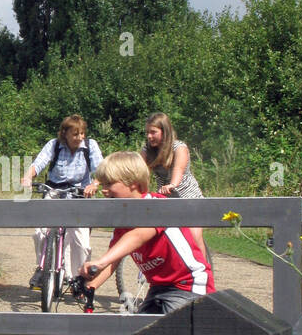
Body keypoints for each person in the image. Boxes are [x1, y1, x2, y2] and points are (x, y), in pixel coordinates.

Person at [78, 151, 214, 315]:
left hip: (188, 284)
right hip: (159, 287)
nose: (104, 190)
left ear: (133, 183)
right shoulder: (123, 223)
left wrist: (99, 262)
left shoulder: (155, 206)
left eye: (109, 184)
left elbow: (138, 235)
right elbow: (112, 262)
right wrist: (89, 285)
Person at [19, 114, 103, 287]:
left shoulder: (90, 146)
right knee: (40, 232)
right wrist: (27, 177)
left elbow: (101, 170)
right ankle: (42, 268)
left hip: (79, 194)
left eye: (82, 133)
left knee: (81, 242)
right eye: (75, 134)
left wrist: (94, 184)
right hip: (55, 191)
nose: (80, 138)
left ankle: (79, 279)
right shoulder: (54, 145)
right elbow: (39, 163)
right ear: (64, 134)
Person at [142, 111, 205, 255]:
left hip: (188, 198)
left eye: (153, 132)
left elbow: (178, 170)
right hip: (165, 198)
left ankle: (205, 271)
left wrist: (172, 185)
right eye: (147, 132)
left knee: (194, 237)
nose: (149, 136)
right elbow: (140, 172)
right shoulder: (147, 150)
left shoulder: (179, 147)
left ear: (165, 132)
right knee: (163, 239)